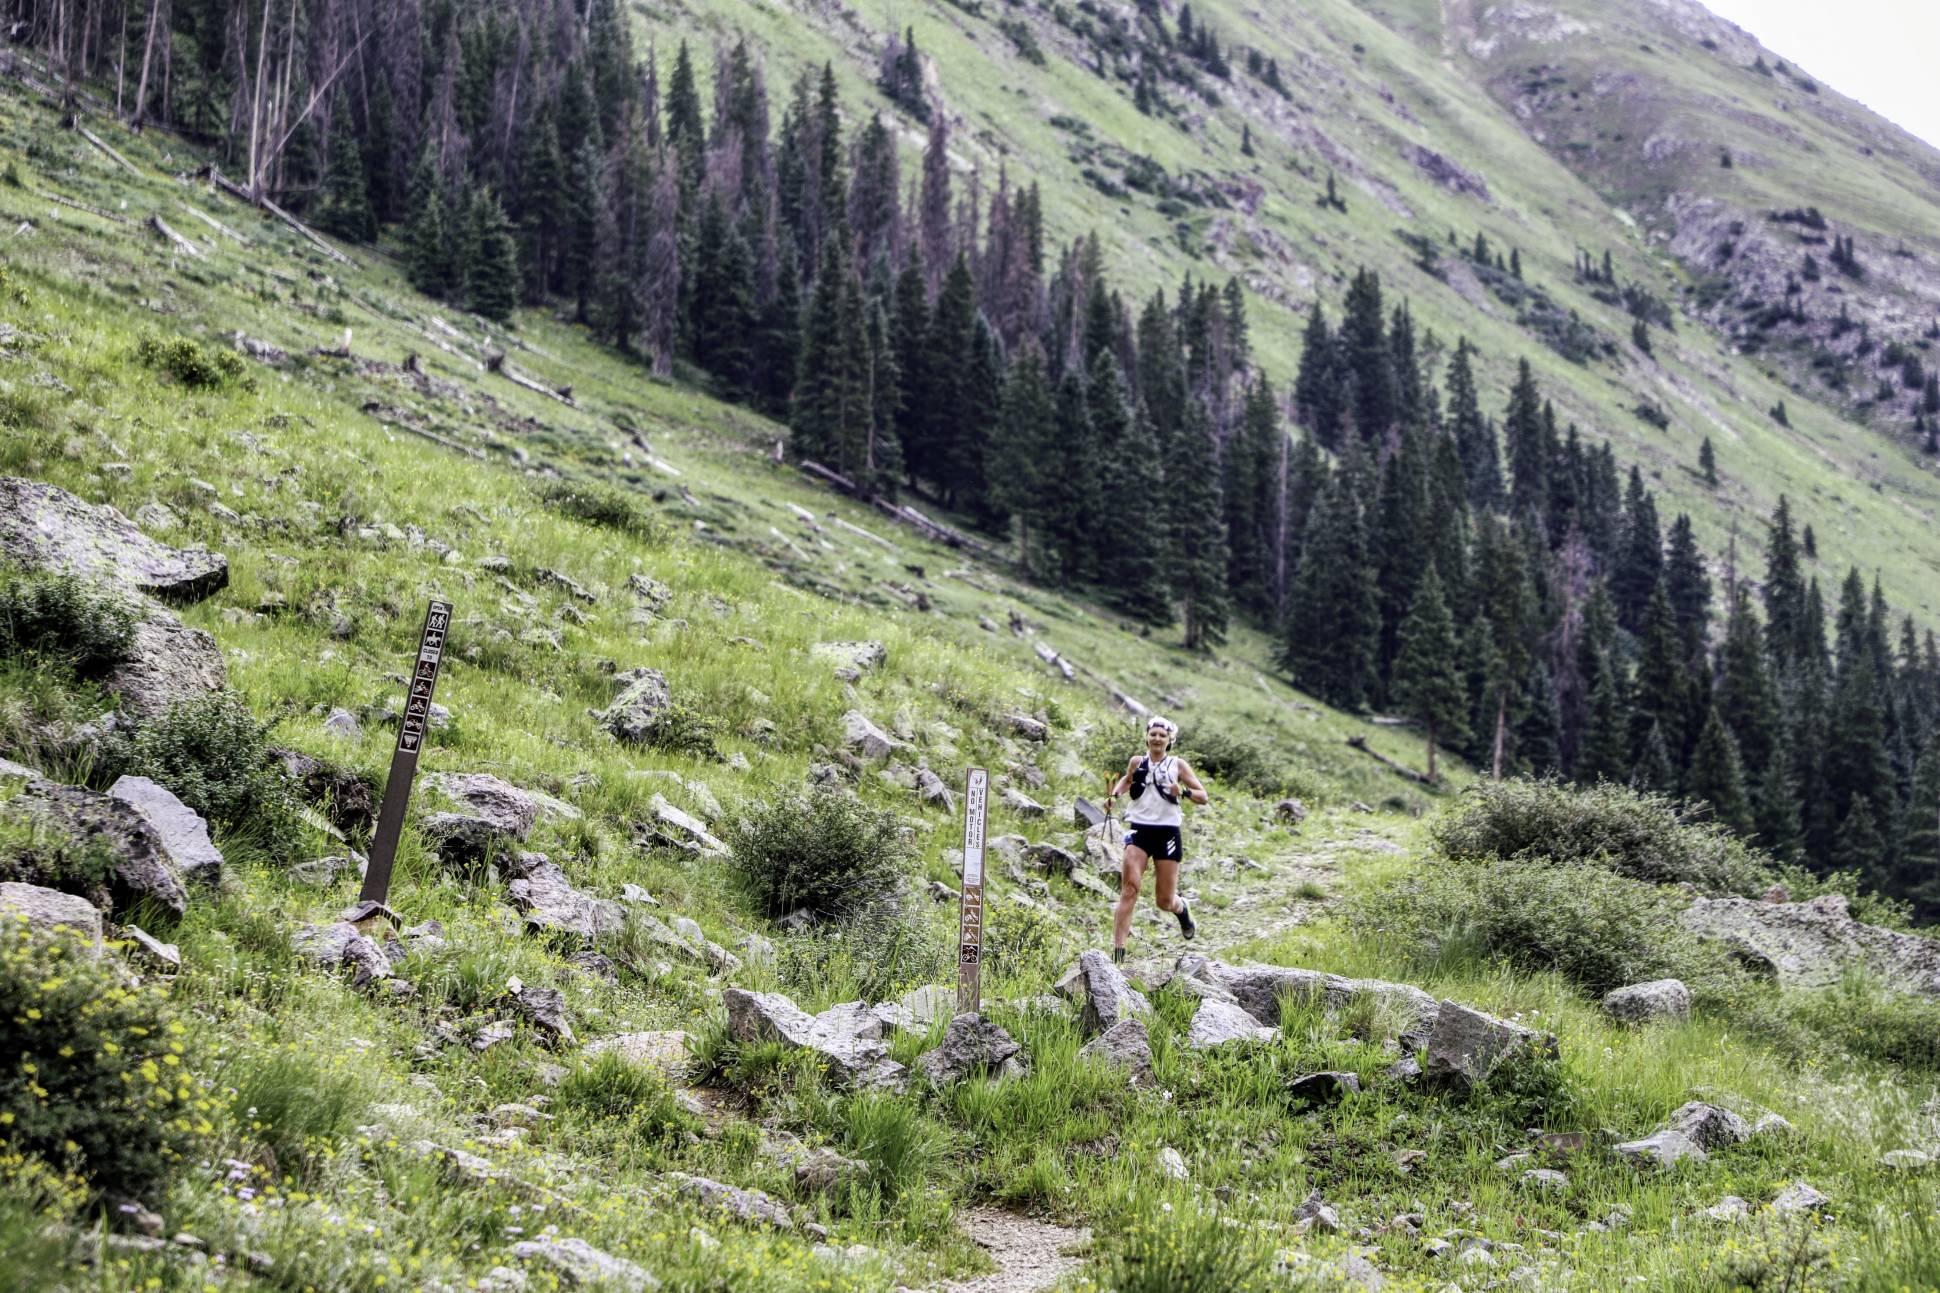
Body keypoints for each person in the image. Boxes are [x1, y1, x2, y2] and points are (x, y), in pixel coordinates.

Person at [1103, 715, 1207, 964]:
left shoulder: (1177, 765)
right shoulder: (1137, 762)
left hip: (1167, 834)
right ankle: (1118, 955)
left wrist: (1182, 791)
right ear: (1147, 737)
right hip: (1139, 830)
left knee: (1164, 901)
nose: (1157, 739)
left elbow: (1203, 796)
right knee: (1129, 889)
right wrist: (1114, 797)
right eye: (1153, 734)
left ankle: (1182, 909)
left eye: (1162, 735)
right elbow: (1127, 781)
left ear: (1170, 739)